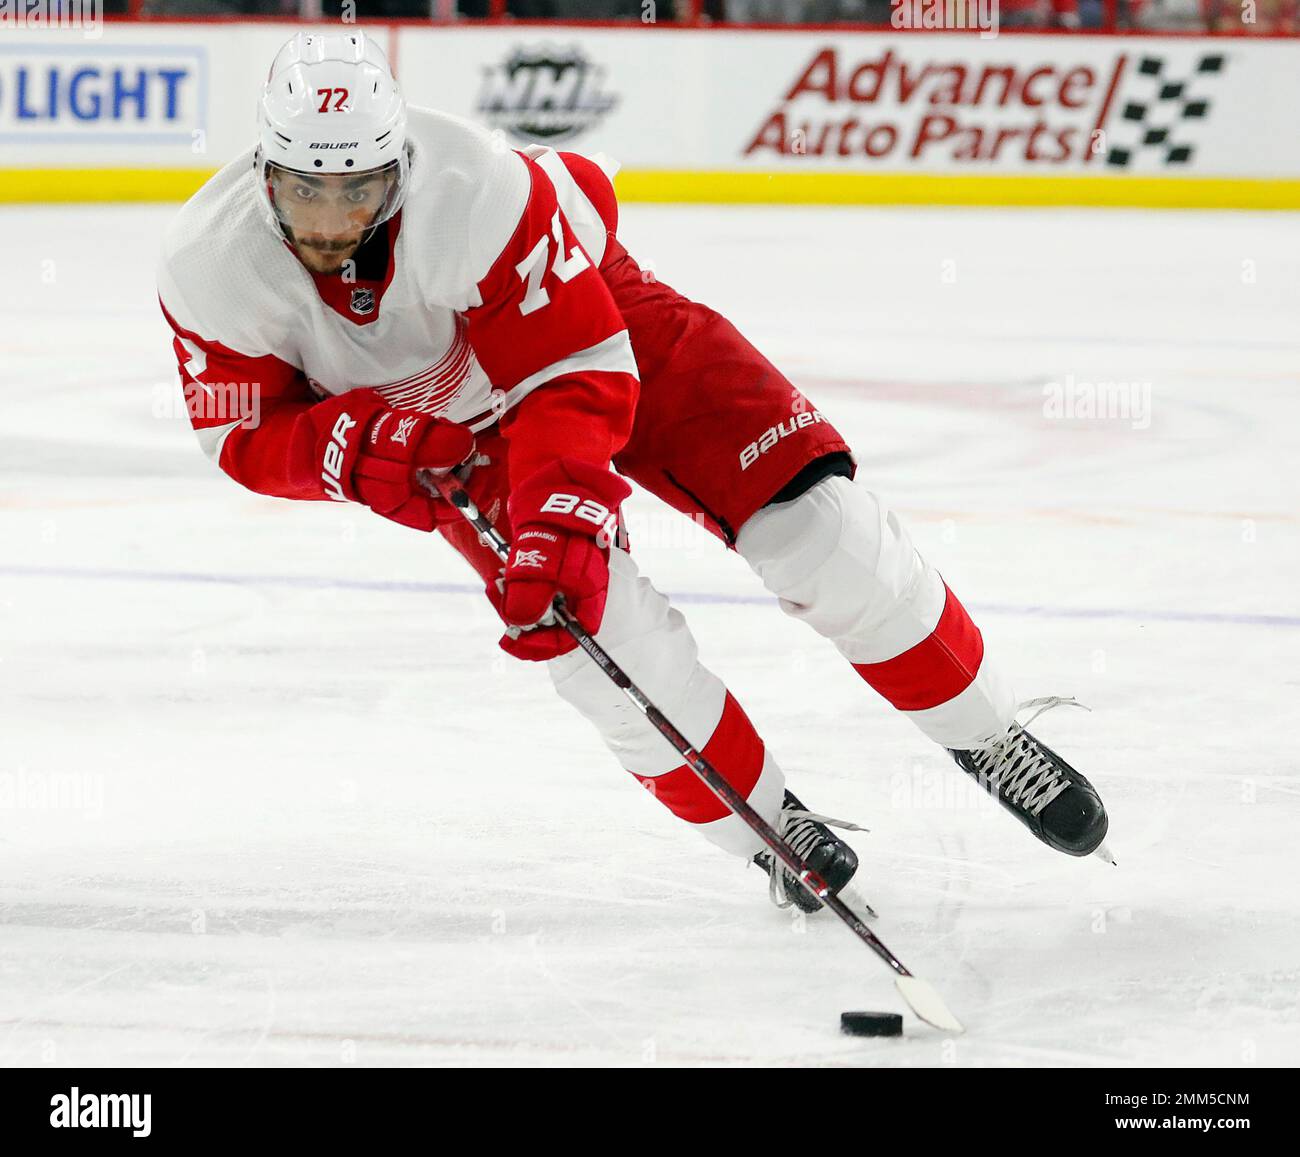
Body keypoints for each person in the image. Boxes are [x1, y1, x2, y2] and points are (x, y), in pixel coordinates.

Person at [158, 31, 1110, 915]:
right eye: (305, 191)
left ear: (400, 169)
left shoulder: (476, 189)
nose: (331, 221)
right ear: (263, 171)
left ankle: (989, 735)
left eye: (357, 190)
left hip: (601, 331)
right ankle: (769, 828)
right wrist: (358, 449)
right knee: (581, 634)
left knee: (818, 530)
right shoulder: (211, 266)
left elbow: (576, 373)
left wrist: (563, 516)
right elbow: (243, 435)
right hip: (443, 433)